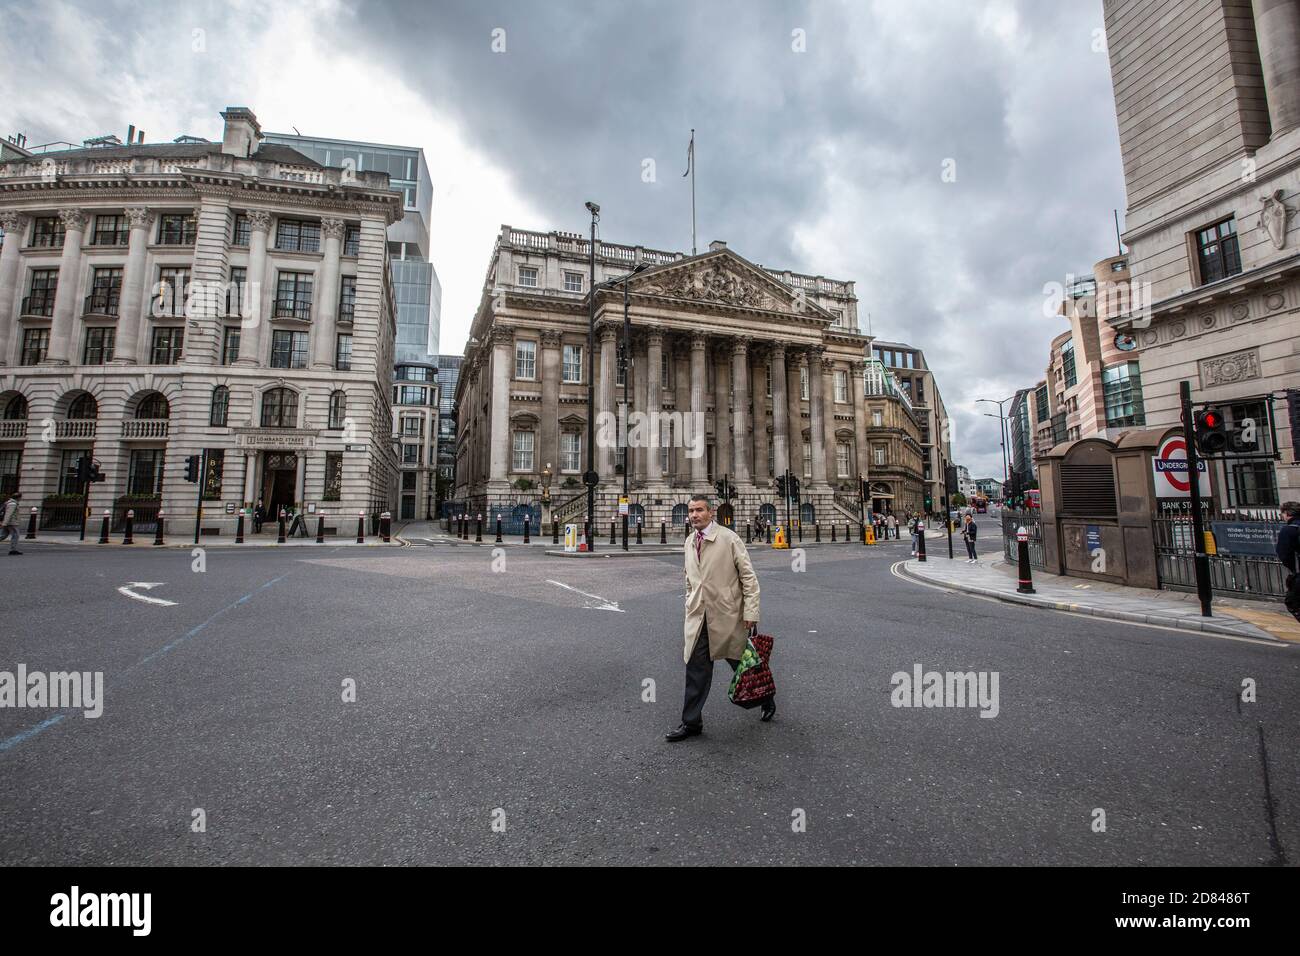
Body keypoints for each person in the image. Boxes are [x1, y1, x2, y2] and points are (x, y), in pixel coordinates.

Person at [666, 494, 771, 742]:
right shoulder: (690, 541)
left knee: (743, 666)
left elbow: (749, 578)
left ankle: (766, 698)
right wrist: (690, 599)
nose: (694, 515)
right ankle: (691, 722)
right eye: (691, 511)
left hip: (728, 615)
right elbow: (689, 579)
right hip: (698, 616)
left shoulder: (728, 538)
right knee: (696, 670)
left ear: (711, 512)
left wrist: (751, 613)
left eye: (699, 510)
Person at [1276, 501, 1300, 623]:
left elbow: (1284, 554)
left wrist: (1293, 570)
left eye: (1282, 514)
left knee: (1292, 601)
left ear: (1287, 513)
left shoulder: (1289, 530)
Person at [2, 491, 22, 556]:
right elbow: (8, 514)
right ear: (18, 498)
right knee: (15, 535)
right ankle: (13, 550)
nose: (21, 499)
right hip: (12, 523)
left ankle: (13, 550)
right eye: (20, 497)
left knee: (3, 535)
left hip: (9, 522)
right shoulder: (12, 504)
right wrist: (4, 523)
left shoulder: (10, 503)